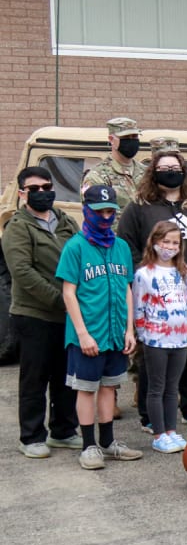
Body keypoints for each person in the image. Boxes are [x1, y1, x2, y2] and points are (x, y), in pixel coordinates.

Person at [118, 148, 187, 427]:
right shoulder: (139, 208)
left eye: (176, 167)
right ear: (154, 172)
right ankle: (149, 414)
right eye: (165, 167)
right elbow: (127, 246)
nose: (171, 171)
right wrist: (144, 277)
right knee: (154, 356)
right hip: (156, 299)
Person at [57, 185, 144, 471]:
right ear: (87, 211)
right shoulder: (75, 247)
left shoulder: (120, 247)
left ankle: (108, 443)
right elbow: (69, 293)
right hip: (88, 333)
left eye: (110, 211)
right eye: (100, 212)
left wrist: (129, 330)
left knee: (109, 387)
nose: (106, 217)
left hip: (116, 332)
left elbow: (127, 289)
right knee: (86, 389)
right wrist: (82, 333)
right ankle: (88, 446)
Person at [6, 167, 80, 459]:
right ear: (22, 193)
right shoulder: (18, 227)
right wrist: (61, 299)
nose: (42, 193)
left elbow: (83, 253)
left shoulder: (66, 221)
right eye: (33, 189)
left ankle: (63, 431)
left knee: (66, 377)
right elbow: (22, 271)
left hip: (67, 314)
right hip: (34, 314)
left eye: (46, 186)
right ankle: (32, 436)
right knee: (34, 379)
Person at [131, 220, 187, 453]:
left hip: (180, 338)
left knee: (172, 386)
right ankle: (158, 433)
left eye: (174, 242)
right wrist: (142, 334)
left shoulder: (186, 273)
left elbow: (186, 302)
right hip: (155, 338)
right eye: (165, 241)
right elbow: (139, 307)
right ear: (155, 242)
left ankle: (171, 430)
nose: (169, 246)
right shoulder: (144, 274)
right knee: (156, 386)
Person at [81, 117, 143, 220]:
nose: (131, 141)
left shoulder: (146, 173)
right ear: (111, 140)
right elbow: (97, 215)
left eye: (135, 136)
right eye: (126, 138)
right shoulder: (98, 176)